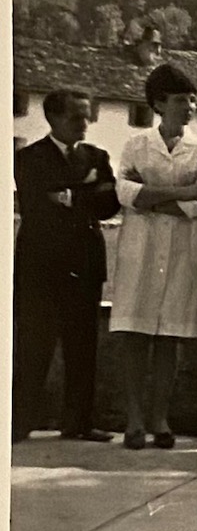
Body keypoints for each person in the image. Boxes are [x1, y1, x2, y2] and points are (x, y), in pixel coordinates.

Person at [110, 64, 197, 449]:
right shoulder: (135, 146)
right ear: (158, 104)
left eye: (191, 100)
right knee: (135, 333)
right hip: (142, 248)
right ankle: (135, 418)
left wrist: (151, 196)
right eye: (179, 100)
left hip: (181, 249)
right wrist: (179, 193)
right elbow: (125, 193)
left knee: (169, 336)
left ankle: (160, 417)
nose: (189, 107)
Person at [13, 89, 120, 442]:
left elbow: (109, 203)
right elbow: (37, 203)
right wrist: (86, 191)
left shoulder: (97, 156)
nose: (85, 124)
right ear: (53, 118)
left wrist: (69, 196)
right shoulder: (28, 158)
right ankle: (18, 422)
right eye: (76, 117)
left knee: (82, 347)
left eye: (87, 116)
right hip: (40, 267)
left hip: (84, 265)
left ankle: (78, 422)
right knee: (33, 345)